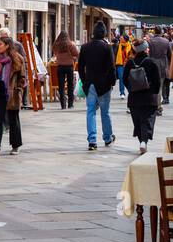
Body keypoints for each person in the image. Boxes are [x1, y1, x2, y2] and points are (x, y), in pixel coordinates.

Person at [78, 20, 117, 152]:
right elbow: (111, 67)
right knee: (105, 112)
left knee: (90, 112)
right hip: (104, 85)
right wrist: (112, 82)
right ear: (104, 33)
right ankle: (107, 137)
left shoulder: (85, 47)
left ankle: (92, 141)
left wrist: (84, 82)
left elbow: (80, 67)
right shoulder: (107, 47)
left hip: (90, 84)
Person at [0, 30, 25, 157]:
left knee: (13, 120)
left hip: (12, 93)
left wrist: (18, 90)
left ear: (7, 46)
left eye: (0, 44)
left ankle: (15, 145)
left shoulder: (17, 59)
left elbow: (22, 77)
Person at [123, 38, 160, 152]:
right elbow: (157, 81)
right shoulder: (151, 62)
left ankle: (142, 142)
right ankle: (144, 141)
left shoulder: (130, 63)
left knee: (137, 121)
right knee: (147, 119)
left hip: (134, 98)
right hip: (148, 98)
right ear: (145, 49)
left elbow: (124, 79)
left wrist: (131, 89)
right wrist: (153, 92)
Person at [52, 30, 78, 110]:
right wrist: (72, 58)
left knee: (61, 86)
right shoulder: (70, 44)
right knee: (70, 85)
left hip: (60, 67)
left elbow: (54, 52)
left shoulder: (56, 44)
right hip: (69, 66)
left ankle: (63, 105)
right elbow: (77, 53)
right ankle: (70, 104)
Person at [147, 26, 172, 110]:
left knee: (152, 86)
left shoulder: (150, 41)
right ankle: (158, 106)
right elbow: (170, 55)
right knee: (160, 86)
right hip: (162, 66)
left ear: (154, 32)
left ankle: (153, 104)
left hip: (152, 65)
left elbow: (148, 54)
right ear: (161, 32)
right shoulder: (166, 41)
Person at [114, 30, 133, 100]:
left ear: (125, 39)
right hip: (120, 64)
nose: (120, 39)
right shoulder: (118, 46)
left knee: (129, 78)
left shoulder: (130, 46)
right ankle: (122, 92)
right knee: (121, 78)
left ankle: (130, 91)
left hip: (128, 64)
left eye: (121, 38)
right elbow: (115, 54)